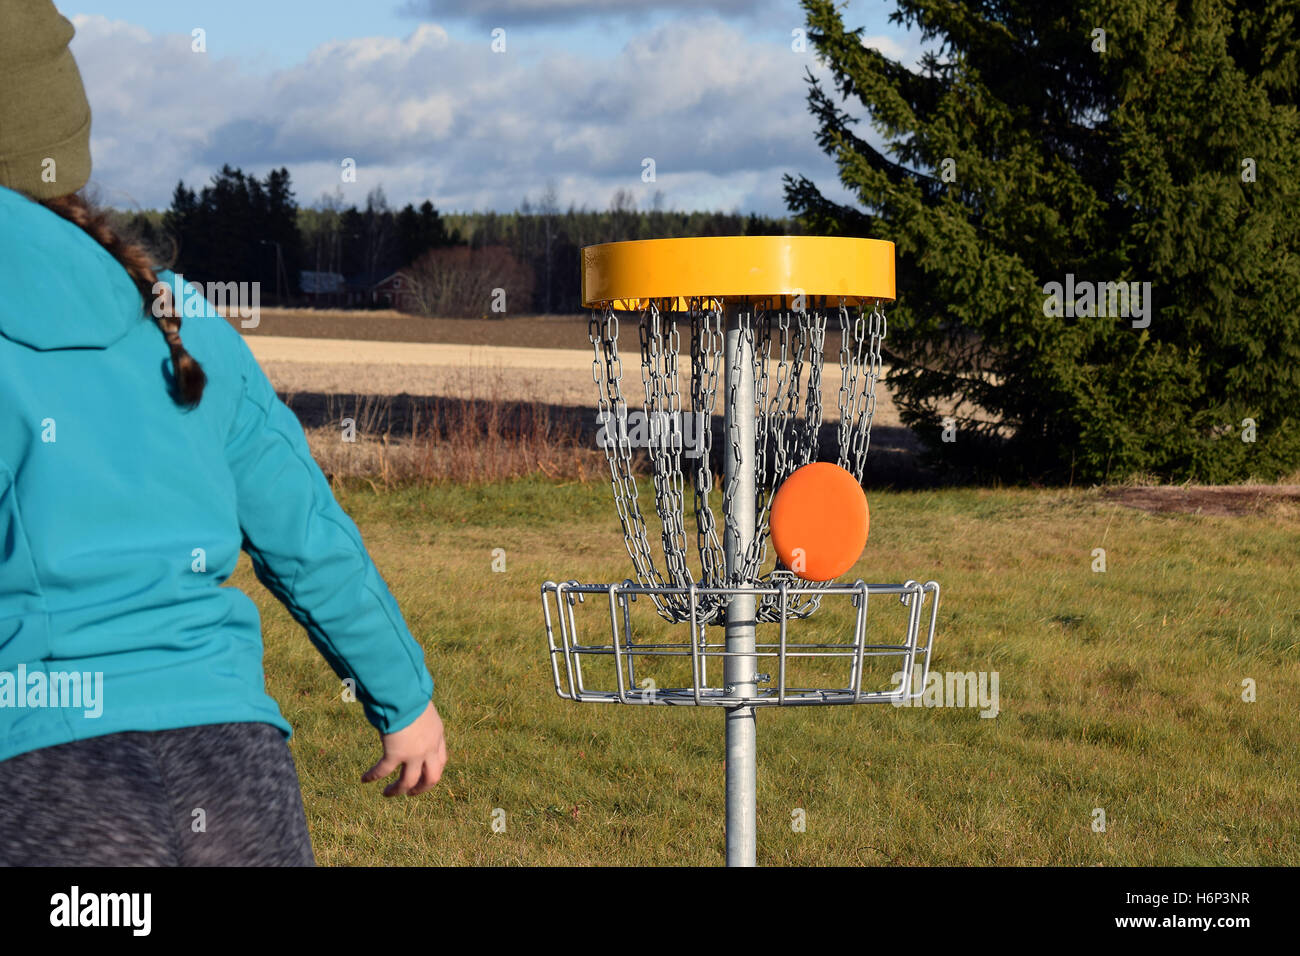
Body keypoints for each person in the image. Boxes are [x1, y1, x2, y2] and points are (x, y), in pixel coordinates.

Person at [0, 1, 447, 866]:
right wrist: (405, 698)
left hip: (48, 780)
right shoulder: (179, 310)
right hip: (236, 769)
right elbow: (306, 533)